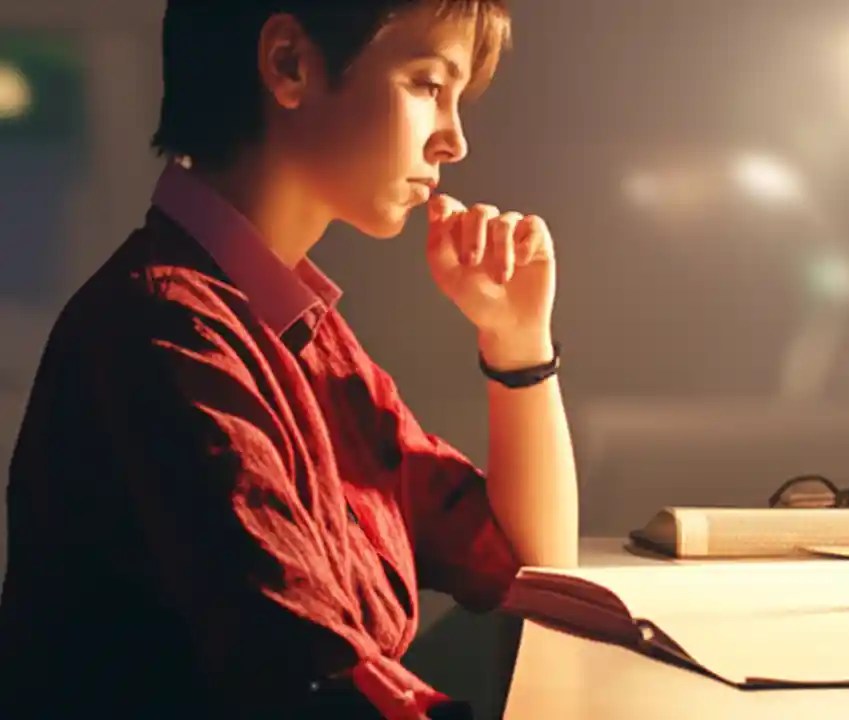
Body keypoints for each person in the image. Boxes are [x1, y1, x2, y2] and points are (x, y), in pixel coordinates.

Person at [0, 1, 579, 717]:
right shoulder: (166, 334)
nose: (453, 141)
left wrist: (517, 342)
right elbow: (314, 678)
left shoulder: (298, 328)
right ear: (290, 65)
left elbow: (529, 564)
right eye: (429, 85)